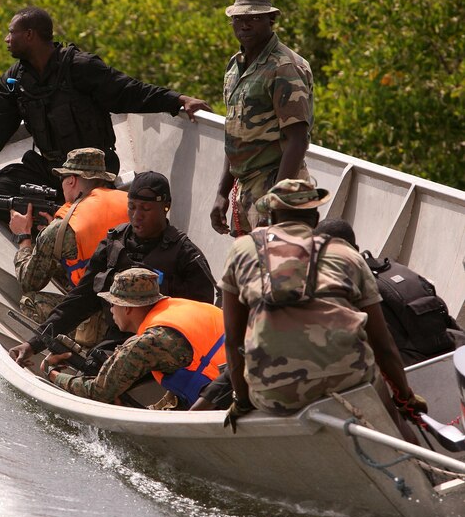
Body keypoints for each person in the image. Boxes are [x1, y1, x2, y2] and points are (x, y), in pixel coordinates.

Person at [0, 6, 211, 221]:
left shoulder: (80, 67)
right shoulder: (16, 79)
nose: (7, 39)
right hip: (50, 169)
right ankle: (50, 226)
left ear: (30, 35)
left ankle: (69, 221)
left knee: (86, 207)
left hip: (93, 170)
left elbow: (129, 91)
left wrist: (177, 100)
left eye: (12, 33)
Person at [220, 179, 427, 440]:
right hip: (349, 380)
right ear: (316, 217)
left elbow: (232, 337)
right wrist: (405, 398)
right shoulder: (346, 254)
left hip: (274, 392)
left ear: (271, 217)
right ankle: (420, 467)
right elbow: (382, 342)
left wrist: (242, 399)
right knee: (389, 406)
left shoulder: (242, 249)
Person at [9, 171, 216, 366]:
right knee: (92, 366)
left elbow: (201, 320)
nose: (136, 216)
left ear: (166, 207)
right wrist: (34, 344)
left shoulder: (186, 256)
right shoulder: (114, 244)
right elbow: (80, 300)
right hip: (115, 339)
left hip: (162, 350)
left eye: (145, 209)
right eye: (132, 207)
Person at [210, 0, 313, 237]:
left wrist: (275, 204)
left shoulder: (285, 67)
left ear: (271, 20)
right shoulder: (235, 65)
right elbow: (235, 133)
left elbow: (298, 139)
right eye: (239, 18)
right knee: (249, 270)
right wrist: (222, 193)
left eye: (255, 18)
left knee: (276, 270)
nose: (245, 25)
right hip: (245, 188)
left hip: (277, 183)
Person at [40, 268, 226, 408]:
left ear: (127, 307)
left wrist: (53, 374)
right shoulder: (185, 308)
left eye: (113, 304)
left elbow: (99, 392)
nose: (111, 310)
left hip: (225, 401)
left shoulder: (148, 342)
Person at [10, 147, 130, 345]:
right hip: (136, 308)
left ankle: (76, 349)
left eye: (63, 179)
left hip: (100, 318)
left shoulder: (63, 227)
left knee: (30, 301)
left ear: (71, 180)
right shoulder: (129, 203)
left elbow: (28, 281)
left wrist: (24, 236)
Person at [315, 218, 465, 365]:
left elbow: (381, 348)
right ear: (357, 248)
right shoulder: (393, 267)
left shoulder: (346, 284)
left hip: (411, 365)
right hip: (450, 348)